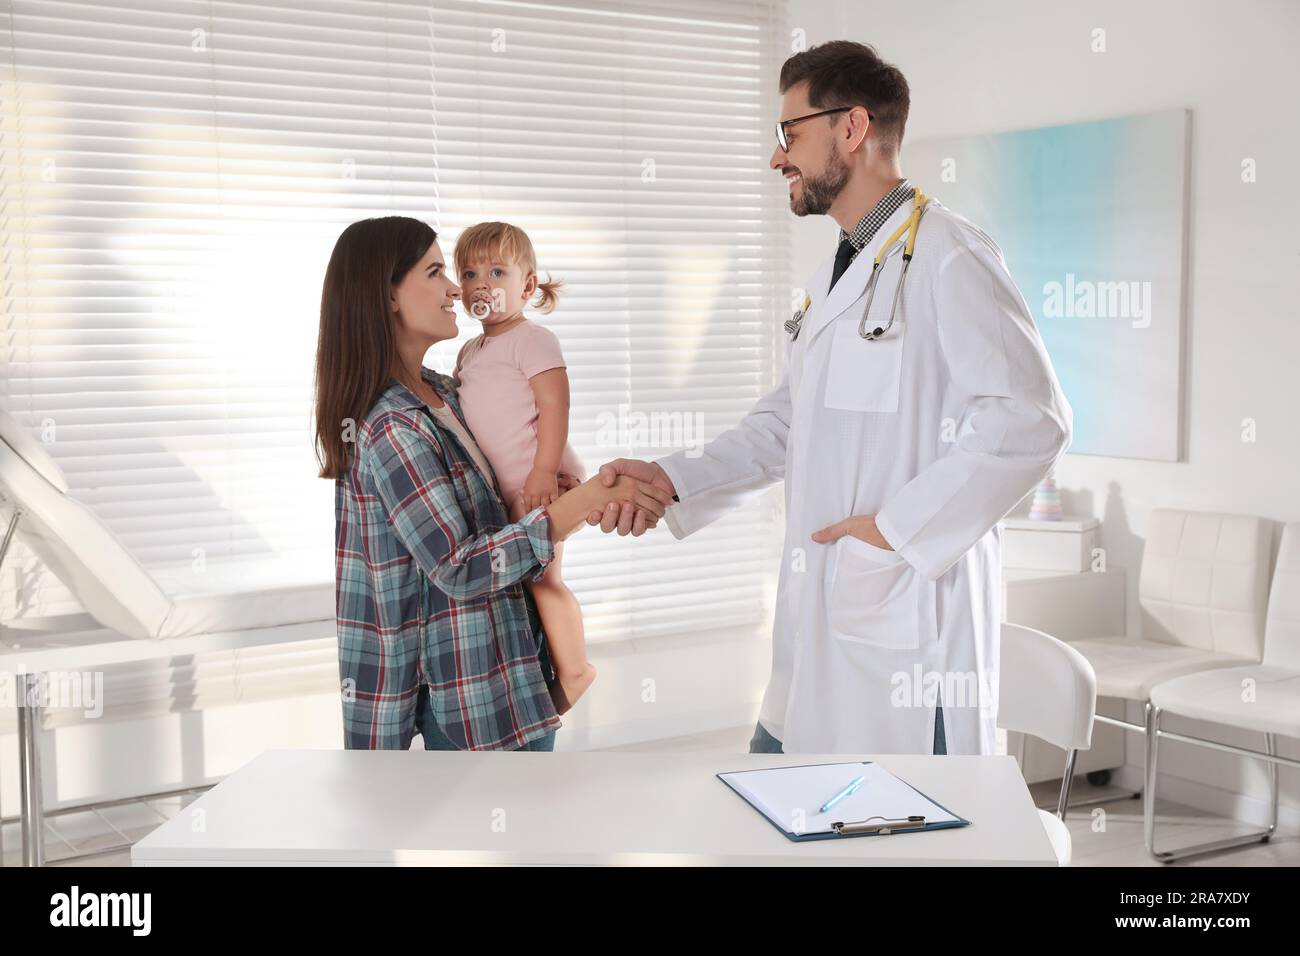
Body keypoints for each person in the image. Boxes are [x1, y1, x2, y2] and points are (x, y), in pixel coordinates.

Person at [587, 41, 1072, 756]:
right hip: (823, 624)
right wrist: (677, 477)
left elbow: (1030, 423)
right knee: (786, 792)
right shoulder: (837, 272)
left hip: (903, 627)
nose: (776, 157)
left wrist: (898, 530)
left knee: (903, 830)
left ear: (851, 129)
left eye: (790, 134)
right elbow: (790, 422)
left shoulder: (950, 255)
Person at [313, 216, 671, 751]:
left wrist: (559, 479)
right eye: (437, 272)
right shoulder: (393, 425)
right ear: (388, 297)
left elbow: (516, 449)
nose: (458, 289)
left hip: (514, 676)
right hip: (471, 699)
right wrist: (585, 501)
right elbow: (458, 566)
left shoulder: (445, 391)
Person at [451, 221, 595, 715]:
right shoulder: (470, 350)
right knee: (521, 584)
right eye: (469, 274)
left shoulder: (532, 340)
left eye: (496, 271)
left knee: (543, 579)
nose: (481, 285)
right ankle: (546, 670)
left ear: (528, 286)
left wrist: (543, 471)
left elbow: (555, 406)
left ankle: (577, 671)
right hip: (506, 489)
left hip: (539, 481)